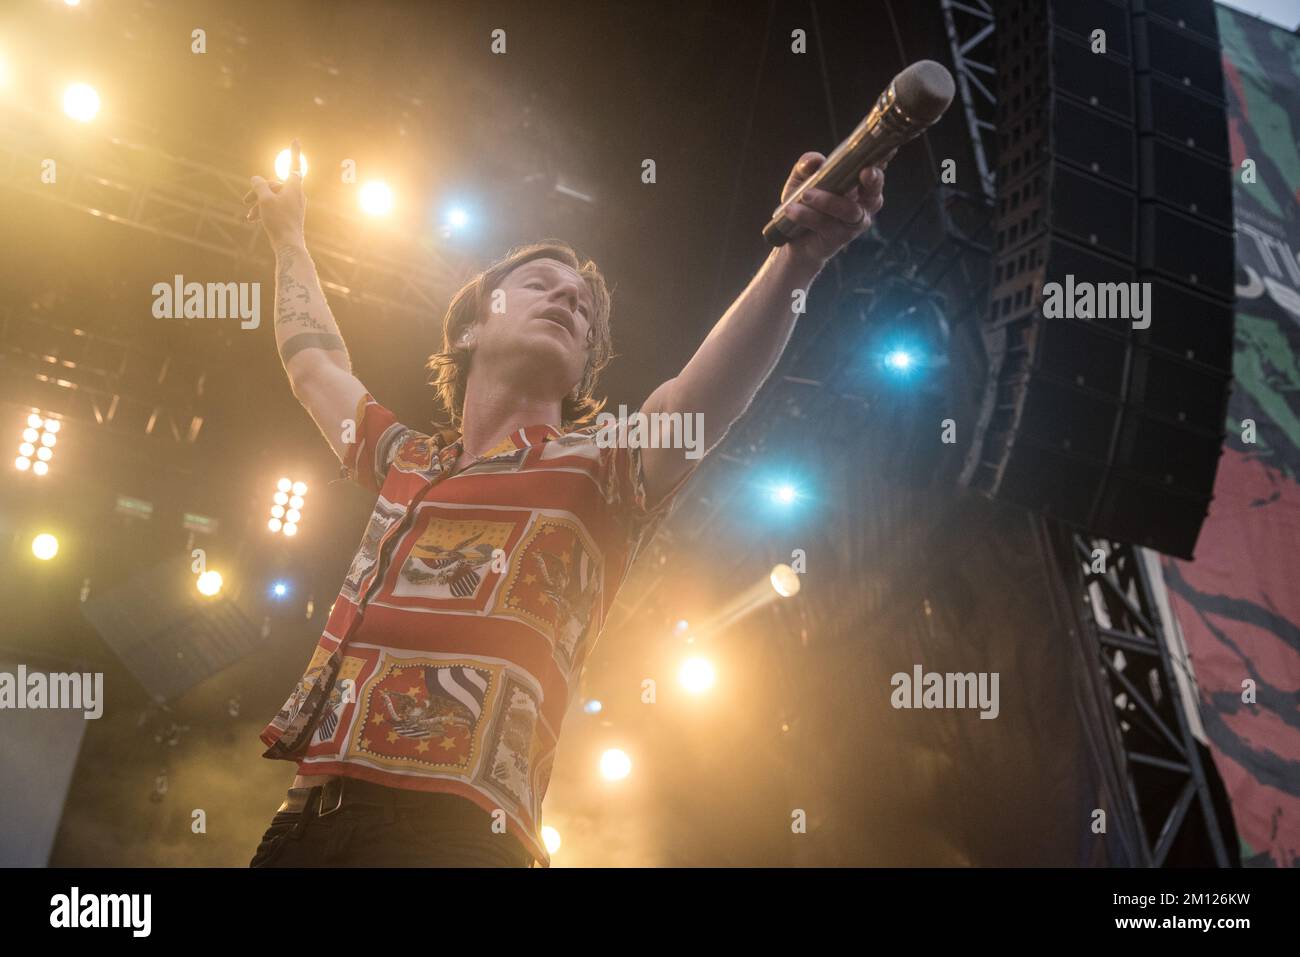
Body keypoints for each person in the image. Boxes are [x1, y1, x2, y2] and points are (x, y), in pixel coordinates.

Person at [244, 139, 886, 867]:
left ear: (584, 363)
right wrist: (289, 236)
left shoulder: (603, 466)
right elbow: (314, 365)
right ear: (469, 327)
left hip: (459, 836)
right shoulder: (408, 460)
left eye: (581, 309)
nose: (566, 300)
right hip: (302, 824)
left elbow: (700, 402)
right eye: (539, 284)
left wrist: (798, 260)